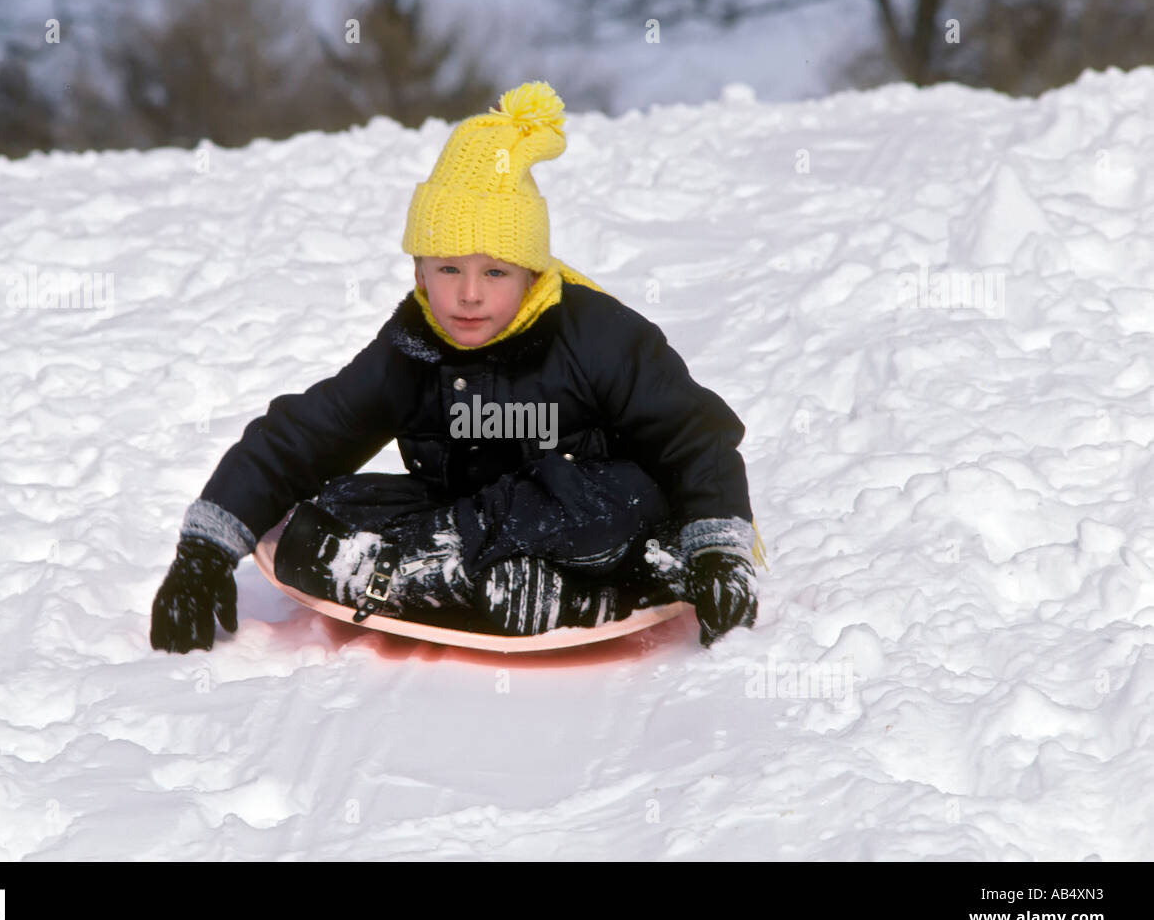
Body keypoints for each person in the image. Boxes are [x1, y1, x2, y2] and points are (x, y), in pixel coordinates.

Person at [150, 81, 764, 654]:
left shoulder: (594, 334)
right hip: (469, 516)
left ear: (531, 275)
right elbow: (309, 435)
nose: (469, 295)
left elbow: (694, 435)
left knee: (619, 497)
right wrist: (204, 548)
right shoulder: (413, 349)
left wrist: (718, 552)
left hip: (593, 522)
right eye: (448, 269)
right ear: (419, 273)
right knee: (325, 509)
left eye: (494, 272)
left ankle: (455, 570)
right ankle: (506, 586)